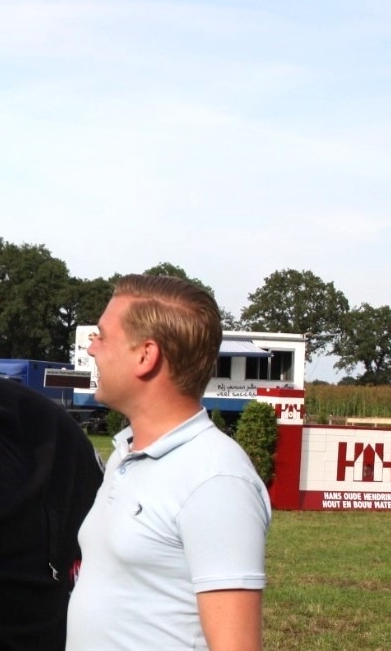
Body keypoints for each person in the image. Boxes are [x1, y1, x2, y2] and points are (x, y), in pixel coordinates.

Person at [66, 275, 271, 651]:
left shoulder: (216, 480)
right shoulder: (125, 454)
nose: (92, 349)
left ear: (146, 356)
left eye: (103, 336)